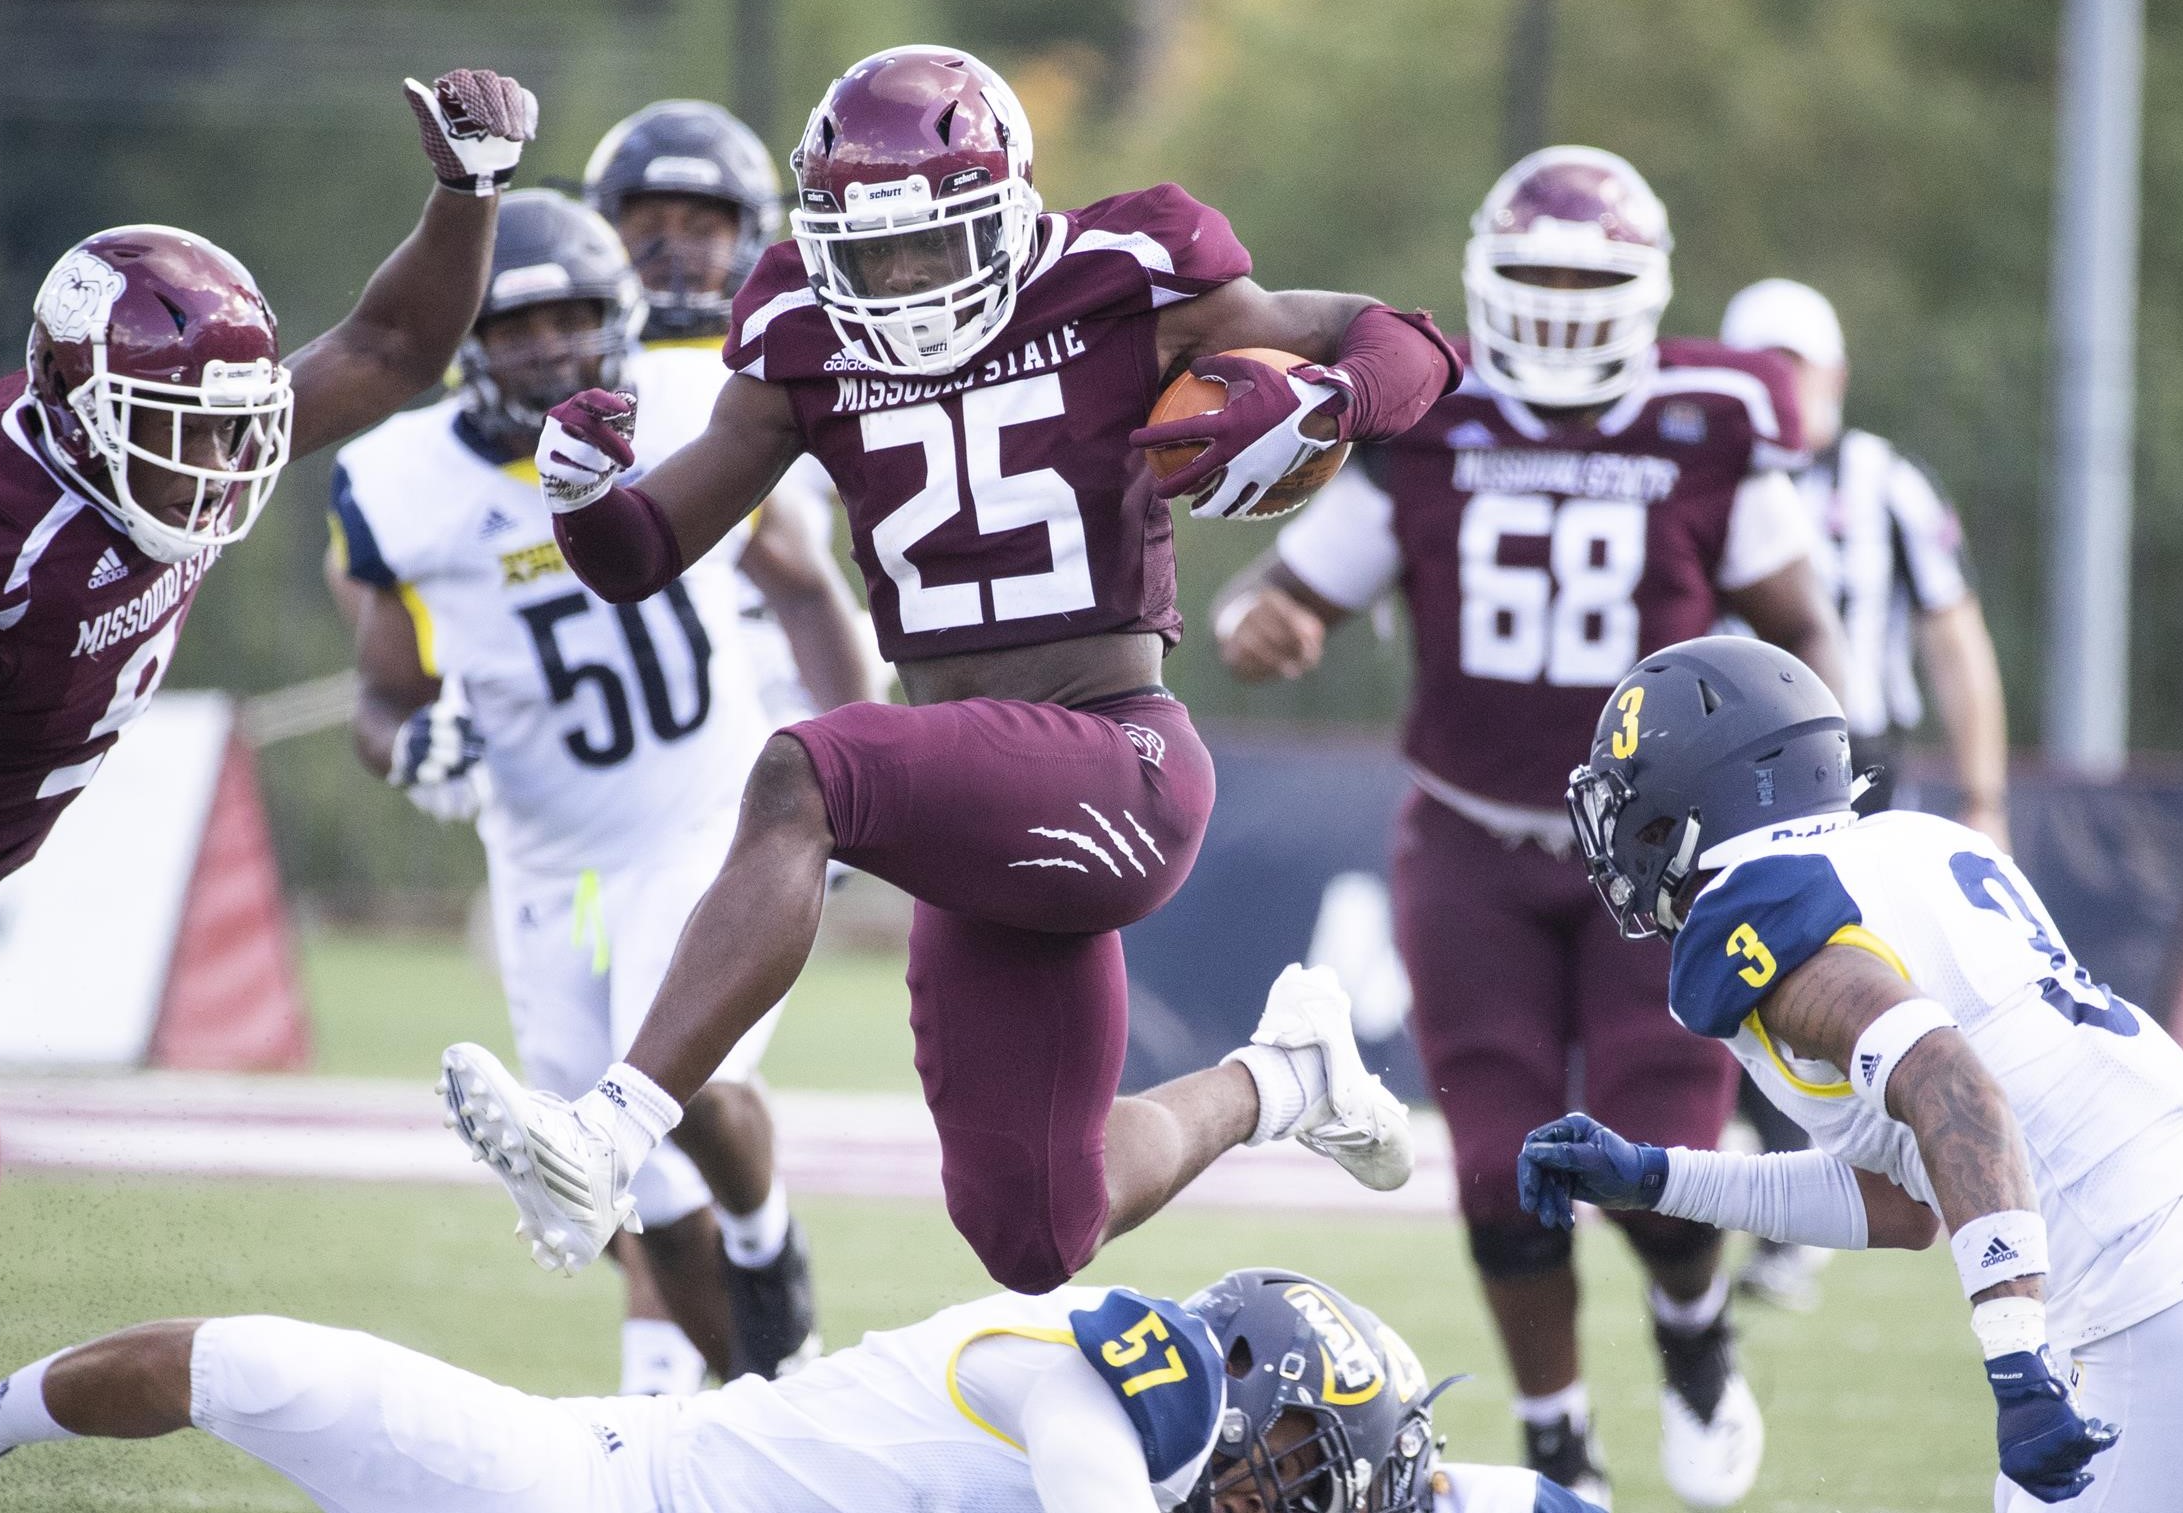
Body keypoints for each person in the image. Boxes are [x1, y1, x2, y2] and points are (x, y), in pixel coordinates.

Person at [443, 43, 1466, 1297]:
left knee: (806, 771)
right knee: (1037, 1229)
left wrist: (1325, 404)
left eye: (933, 241)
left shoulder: (1126, 275)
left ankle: (607, 1131)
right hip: (974, 805)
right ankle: (1285, 1078)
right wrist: (582, 497)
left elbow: (1410, 344)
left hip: (1116, 758)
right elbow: (641, 551)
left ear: (1010, 207)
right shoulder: (802, 335)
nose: (904, 277)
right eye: (869, 251)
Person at [0, 68, 535, 1513]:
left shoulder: (179, 446)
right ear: (74, 408)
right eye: (171, 424)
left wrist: (467, 194)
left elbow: (390, 348)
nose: (210, 462)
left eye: (224, 424)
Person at [1212, 145, 1848, 1509]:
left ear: (1643, 290)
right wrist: (1257, 621)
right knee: (1501, 1168)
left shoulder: (1707, 416)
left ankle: (1692, 1332)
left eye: (1585, 278)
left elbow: (1801, 629)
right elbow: (1290, 590)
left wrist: (1816, 789)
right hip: (1470, 839)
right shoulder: (1431, 419)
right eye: (1534, 276)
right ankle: (1556, 1433)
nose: (1558, 303)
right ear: (1483, 285)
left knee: (1657, 1156)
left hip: (1670, 856)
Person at [1527, 634, 2183, 1511]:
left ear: (1702, 806)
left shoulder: (1760, 914)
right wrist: (1660, 1177)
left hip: (2159, 1296)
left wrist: (2014, 1356)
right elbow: (1905, 1197)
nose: (1623, 849)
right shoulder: (1908, 844)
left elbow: (1954, 1089)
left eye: (1641, 819)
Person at [327, 185, 876, 1393]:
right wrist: (403, 747)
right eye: (519, 326)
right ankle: (766, 1400)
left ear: (621, 316)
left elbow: (801, 578)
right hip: (551, 870)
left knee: (684, 1090)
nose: (550, 348)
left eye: (574, 317)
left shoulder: (685, 405)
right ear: (468, 344)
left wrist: (863, 760)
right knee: (622, 1183)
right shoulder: (399, 481)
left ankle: (766, 1235)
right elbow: (384, 693)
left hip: (701, 823)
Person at [0, 1265, 1603, 1513]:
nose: (1294, 1495)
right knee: (257, 1363)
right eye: (1290, 1462)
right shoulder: (1095, 1382)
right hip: (610, 1495)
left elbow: (1500, 1495)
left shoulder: (1253, 1439)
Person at [1711, 276, 2014, 1312]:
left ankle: (1949, 1181)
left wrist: (1982, 795)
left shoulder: (1887, 480)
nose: (1784, 387)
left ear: (1834, 374)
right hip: (1726, 767)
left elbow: (1953, 640)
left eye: (1797, 365)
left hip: (1858, 754)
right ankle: (1819, 1205)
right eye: (1765, 365)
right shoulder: (1710, 468)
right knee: (1753, 981)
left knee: (1879, 988)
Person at [580, 98, 877, 729]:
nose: (674, 250)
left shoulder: (805, 347)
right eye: (650, 226)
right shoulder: (576, 370)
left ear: (749, 233)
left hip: (783, 652)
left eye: (700, 227)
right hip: (619, 665)